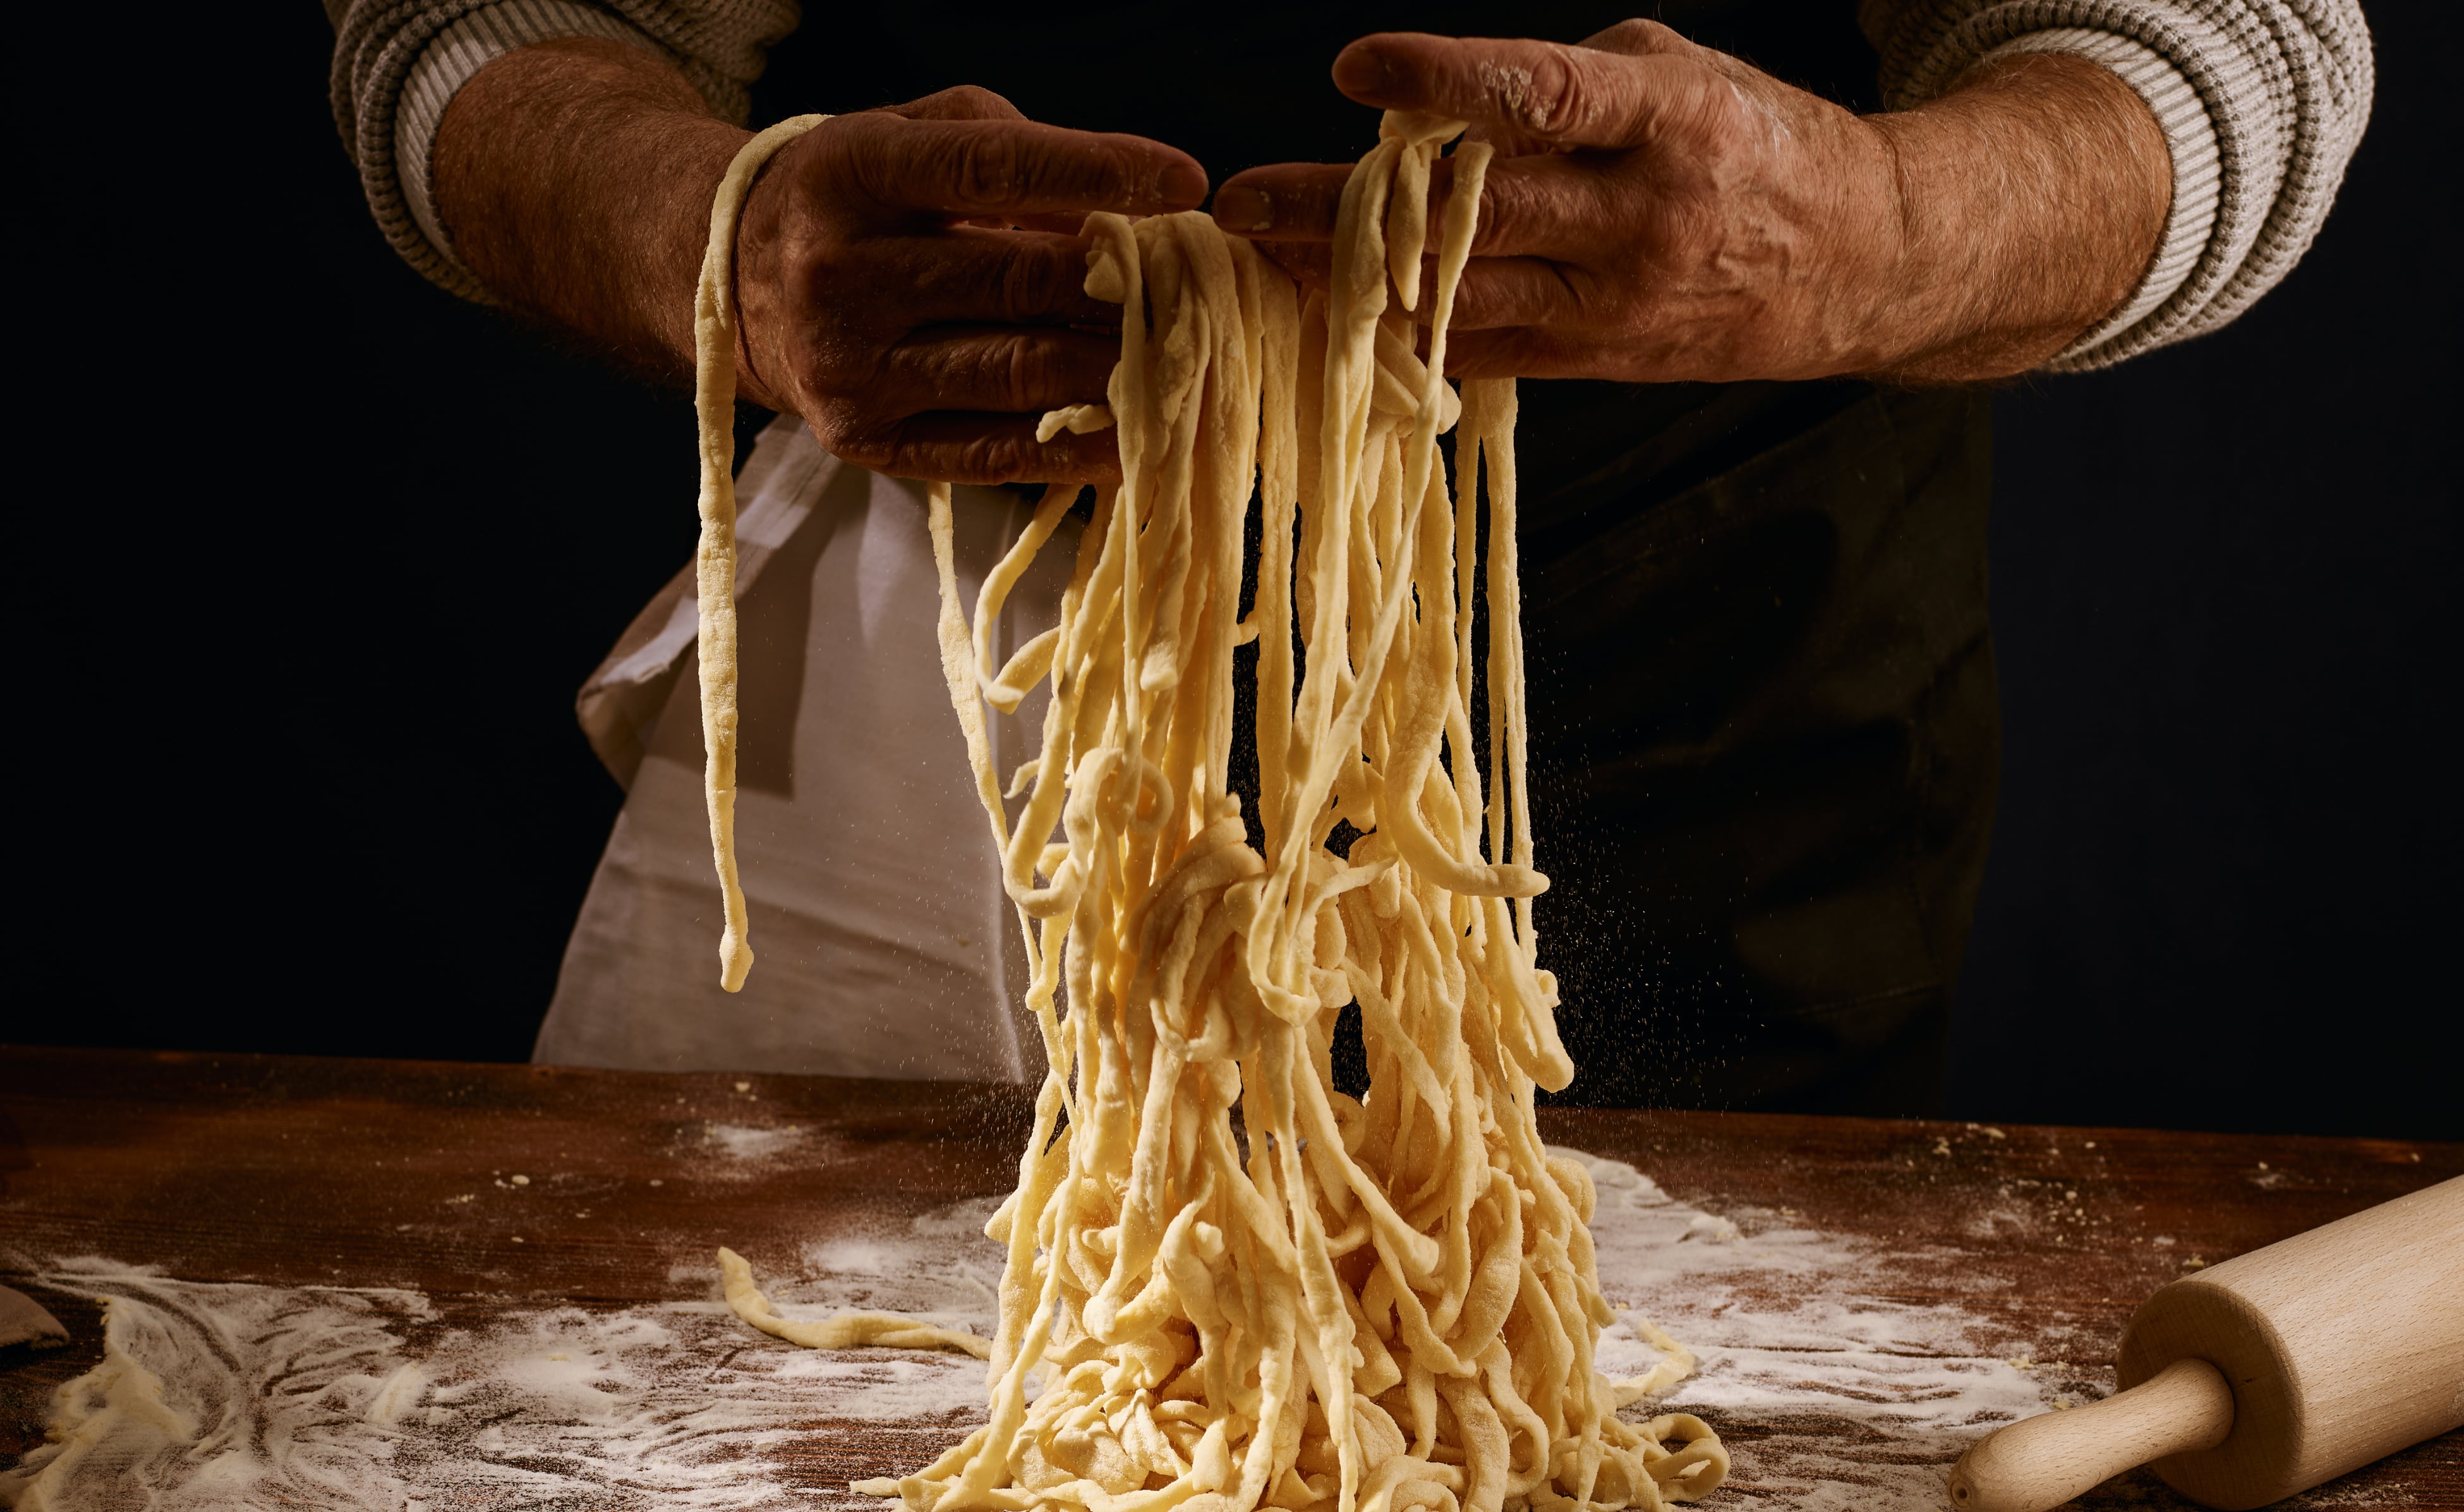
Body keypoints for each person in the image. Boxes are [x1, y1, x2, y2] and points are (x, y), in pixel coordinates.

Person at [326, 1, 2370, 1112]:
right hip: (962, 697)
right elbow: (473, 30)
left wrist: (1883, 233)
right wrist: (719, 245)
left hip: (1706, 679)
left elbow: (2238, 49)